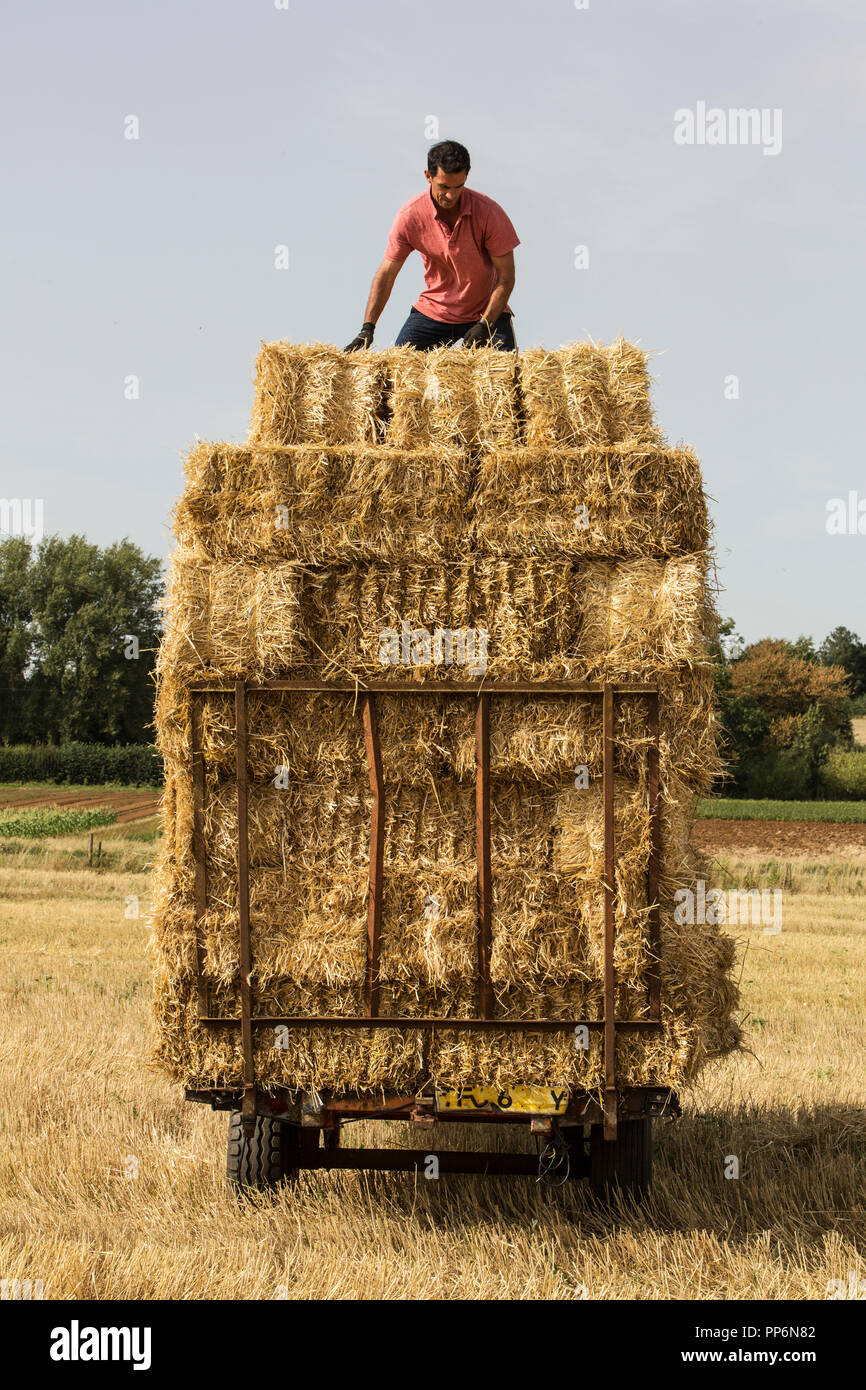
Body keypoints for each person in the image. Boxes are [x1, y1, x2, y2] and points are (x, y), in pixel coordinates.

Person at [344, 140, 519, 353]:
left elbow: (506, 278)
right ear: (428, 176)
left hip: (486, 312)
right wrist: (367, 328)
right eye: (444, 187)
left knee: (503, 376)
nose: (451, 196)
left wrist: (485, 324)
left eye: (458, 187)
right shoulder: (410, 216)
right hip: (436, 310)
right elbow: (387, 274)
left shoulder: (490, 213)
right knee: (401, 368)